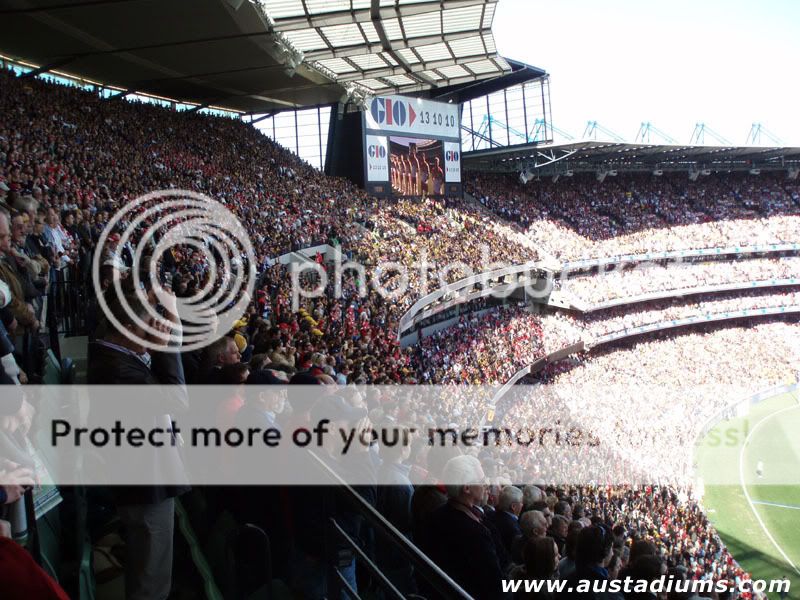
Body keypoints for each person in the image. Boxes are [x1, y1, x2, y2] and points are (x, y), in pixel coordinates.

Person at [87, 291, 189, 600]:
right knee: (151, 580)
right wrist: (167, 338)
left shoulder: (113, 354)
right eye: (150, 328)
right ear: (130, 327)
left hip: (142, 477)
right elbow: (177, 399)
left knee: (148, 567)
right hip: (146, 486)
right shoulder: (117, 371)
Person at [419, 455, 503, 599]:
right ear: (467, 488)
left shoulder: (434, 516)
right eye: (482, 481)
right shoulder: (474, 533)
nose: (486, 485)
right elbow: (494, 585)